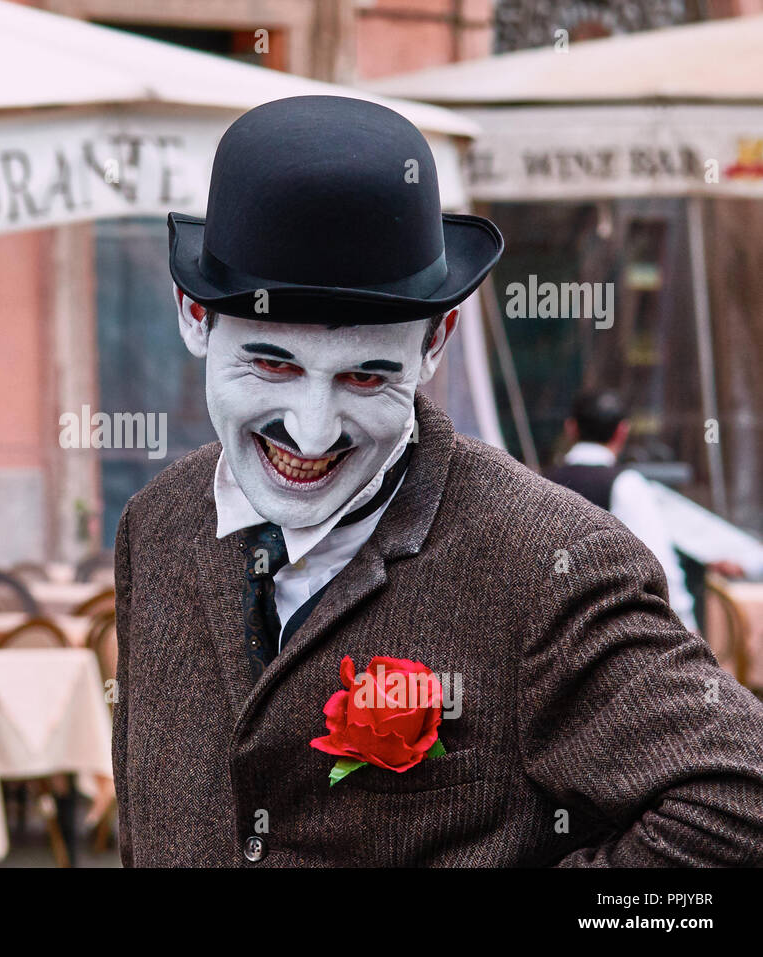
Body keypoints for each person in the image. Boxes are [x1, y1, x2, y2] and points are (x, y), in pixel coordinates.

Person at [111, 95, 763, 867]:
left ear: (435, 341)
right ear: (193, 315)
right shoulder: (154, 525)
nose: (312, 430)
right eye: (273, 363)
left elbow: (740, 799)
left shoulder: (547, 562)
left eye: (365, 376)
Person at [544, 389, 698, 631]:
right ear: (622, 431)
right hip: (608, 635)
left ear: (571, 428)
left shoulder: (541, 482)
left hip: (549, 633)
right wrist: (687, 626)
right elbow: (660, 567)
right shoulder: (626, 484)